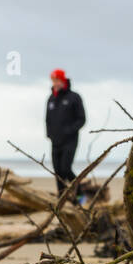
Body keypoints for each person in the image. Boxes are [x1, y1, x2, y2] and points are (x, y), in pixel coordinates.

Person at [46, 68, 86, 196]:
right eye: (53, 80)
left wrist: (69, 131)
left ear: (63, 80)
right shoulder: (51, 99)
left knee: (66, 169)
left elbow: (82, 119)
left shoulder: (74, 97)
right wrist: (49, 134)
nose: (55, 83)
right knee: (58, 172)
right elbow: (47, 119)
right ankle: (62, 197)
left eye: (57, 80)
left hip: (70, 141)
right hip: (55, 141)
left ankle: (81, 196)